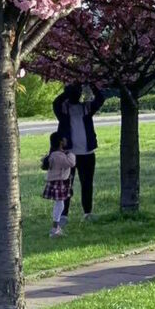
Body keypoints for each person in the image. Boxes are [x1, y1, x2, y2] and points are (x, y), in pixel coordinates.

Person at [53, 83, 106, 222]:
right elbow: (56, 103)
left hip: (87, 153)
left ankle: (87, 213)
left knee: (87, 183)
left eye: (78, 91)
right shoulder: (63, 110)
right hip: (68, 153)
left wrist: (92, 84)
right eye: (73, 92)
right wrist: (67, 92)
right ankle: (64, 215)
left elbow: (100, 99)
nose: (76, 94)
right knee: (66, 184)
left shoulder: (86, 108)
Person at [40, 131, 75, 237]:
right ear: (60, 142)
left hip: (58, 181)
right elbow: (70, 163)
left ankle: (56, 227)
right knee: (59, 205)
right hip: (59, 182)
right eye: (64, 139)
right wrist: (71, 154)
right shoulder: (59, 155)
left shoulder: (55, 154)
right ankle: (55, 228)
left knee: (60, 204)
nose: (66, 141)